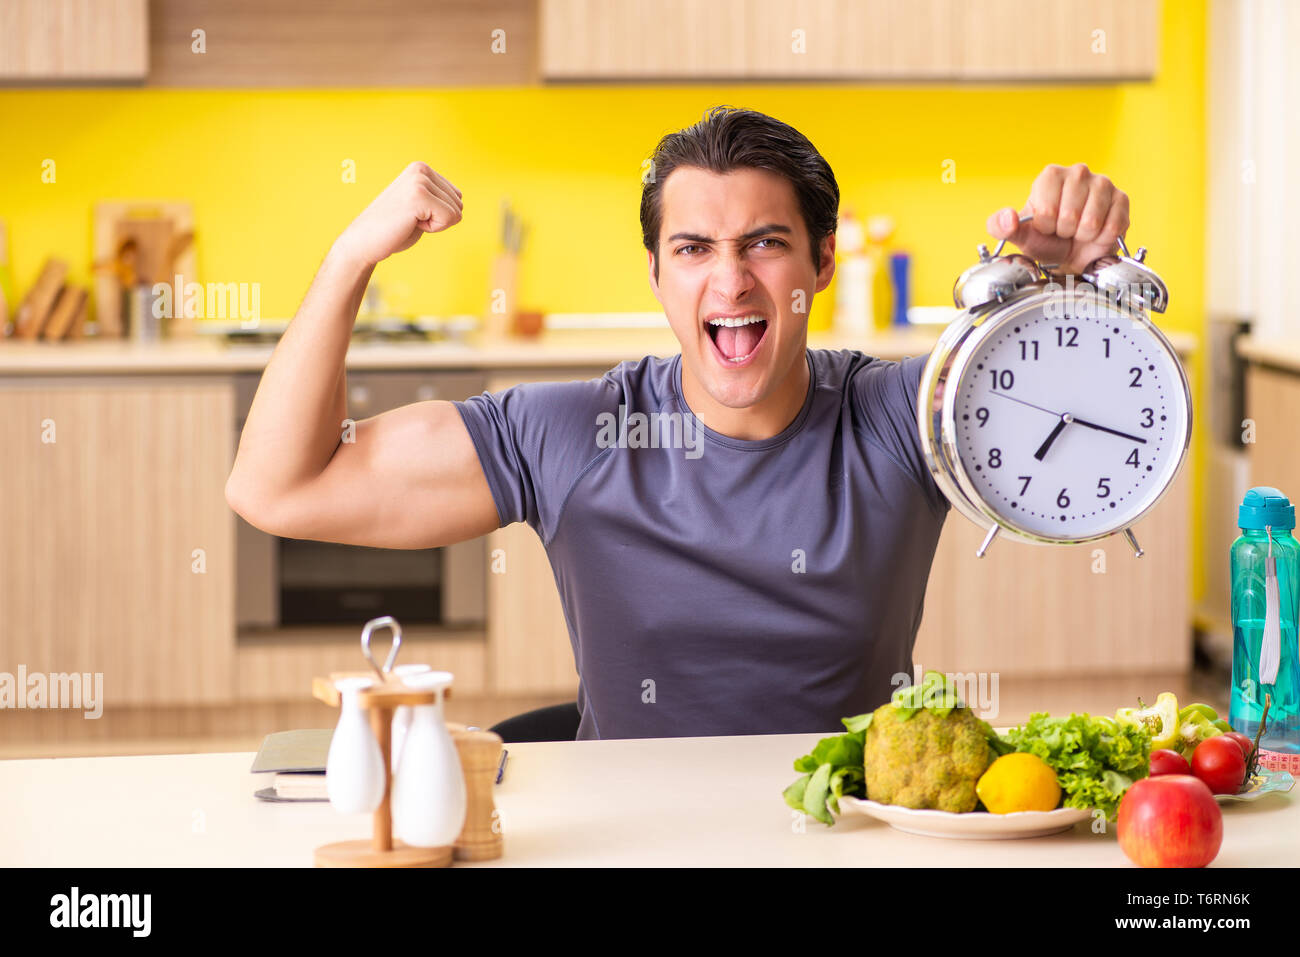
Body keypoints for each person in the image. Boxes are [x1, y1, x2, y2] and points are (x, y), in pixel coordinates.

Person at [226, 106, 1131, 740]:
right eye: (693, 249)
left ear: (819, 261)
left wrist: (1069, 293)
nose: (729, 282)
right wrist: (352, 255)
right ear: (658, 275)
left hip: (845, 837)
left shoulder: (900, 418)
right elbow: (278, 487)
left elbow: (1092, 423)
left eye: (764, 244)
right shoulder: (573, 434)